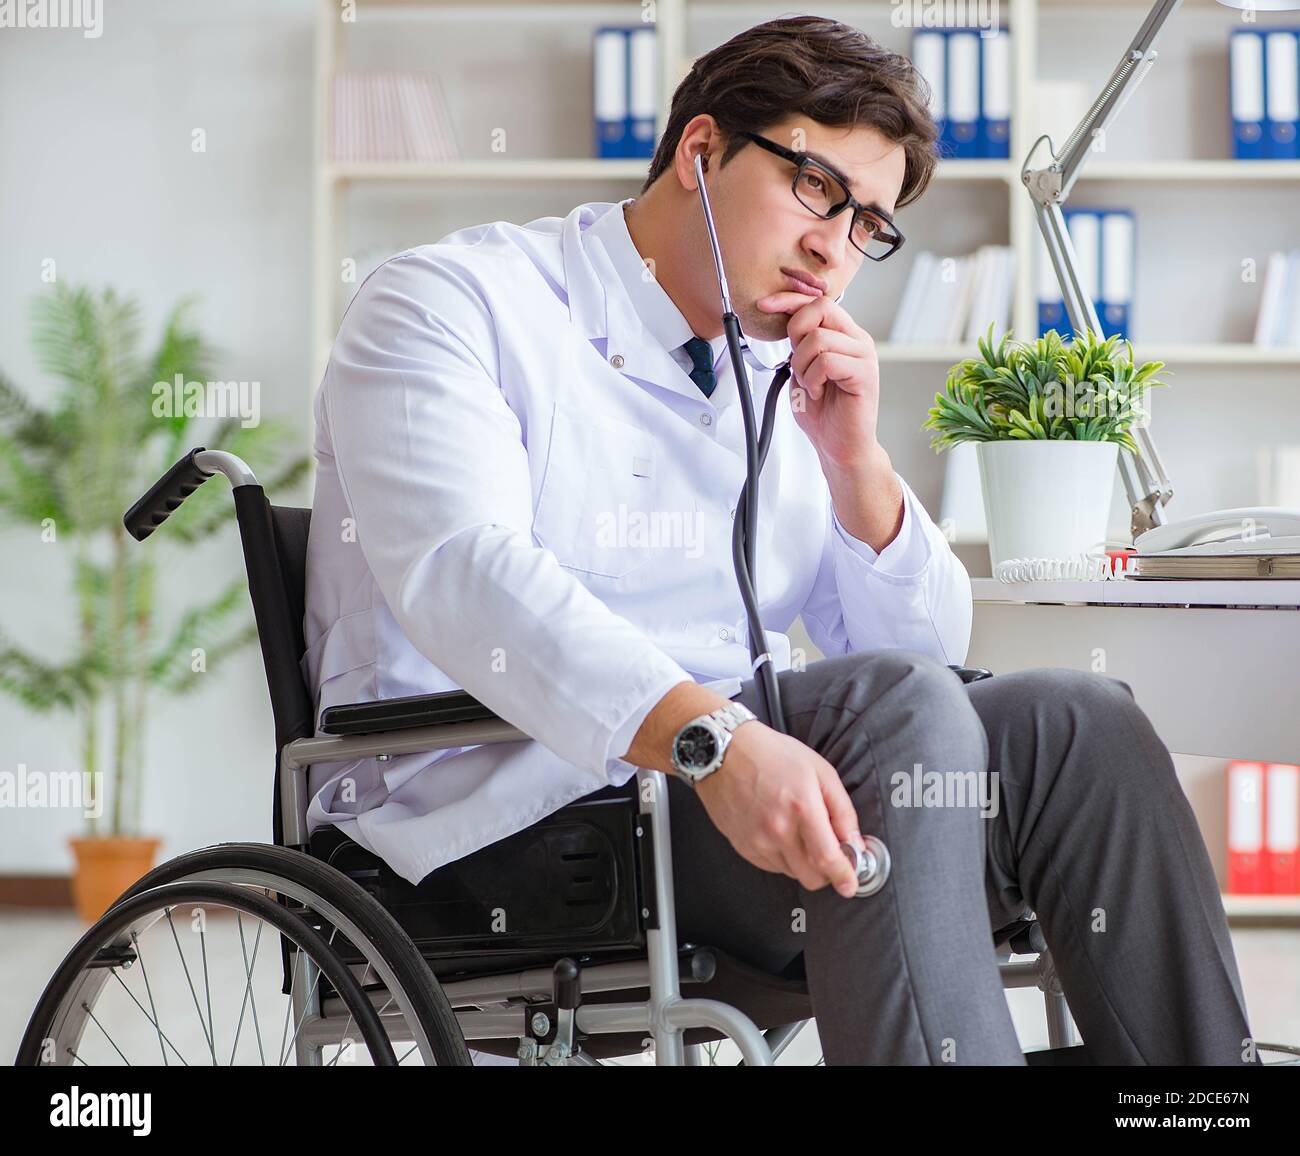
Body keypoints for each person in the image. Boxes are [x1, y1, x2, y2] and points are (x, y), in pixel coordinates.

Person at [301, 14, 1257, 1064]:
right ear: (701, 149)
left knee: (1079, 723)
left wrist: (856, 463)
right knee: (885, 716)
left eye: (867, 223)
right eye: (815, 186)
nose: (833, 249)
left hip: (728, 807)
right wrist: (712, 738)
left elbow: (928, 659)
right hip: (498, 820)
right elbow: (466, 576)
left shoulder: (777, 372)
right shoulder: (451, 302)